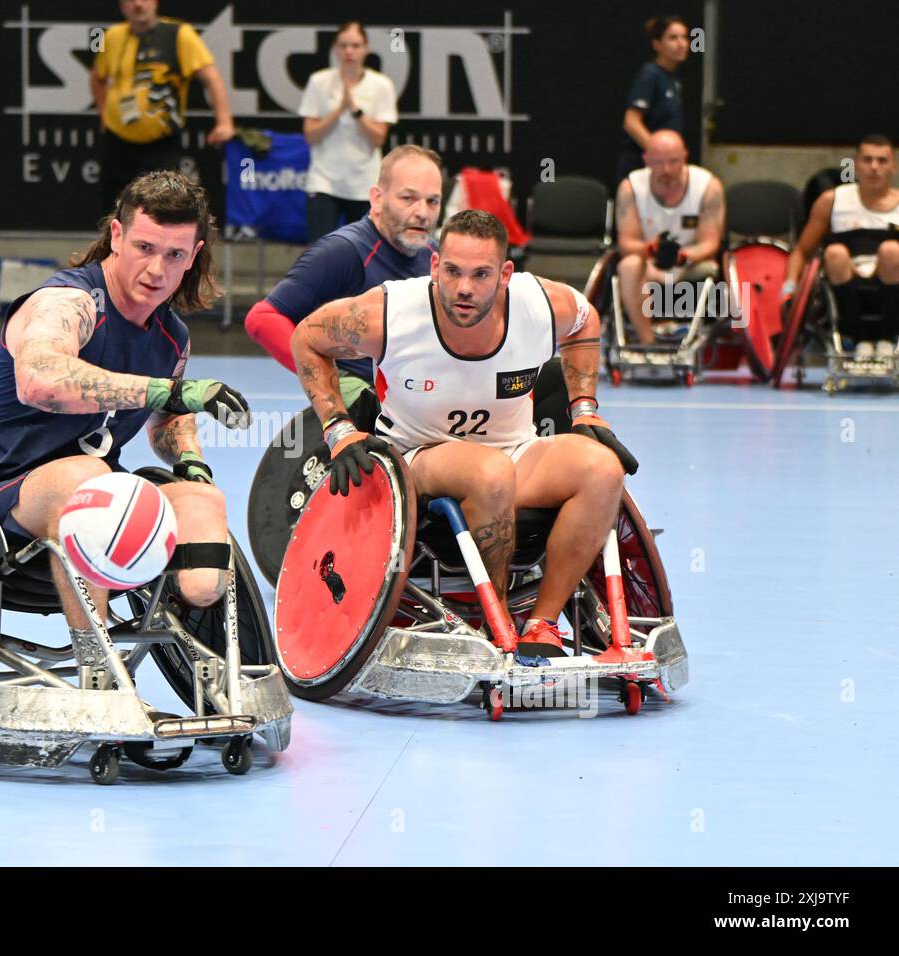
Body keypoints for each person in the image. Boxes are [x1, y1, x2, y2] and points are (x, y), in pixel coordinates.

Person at [290, 210, 638, 659]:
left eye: (481, 274)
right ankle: (496, 620)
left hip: (515, 451)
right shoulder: (389, 313)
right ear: (434, 266)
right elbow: (307, 338)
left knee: (602, 470)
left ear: (506, 275)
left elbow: (586, 321)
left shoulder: (542, 305)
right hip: (417, 456)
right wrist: (339, 429)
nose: (465, 288)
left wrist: (585, 408)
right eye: (452, 271)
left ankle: (542, 622)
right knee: (489, 474)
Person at [0, 171, 250, 641]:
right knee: (90, 478)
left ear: (193, 256)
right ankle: (98, 674)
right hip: (4, 503)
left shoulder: (172, 336)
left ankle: (210, 671)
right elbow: (40, 381)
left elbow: (169, 418)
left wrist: (191, 461)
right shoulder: (68, 303)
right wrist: (165, 390)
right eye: (145, 248)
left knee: (203, 500)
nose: (157, 270)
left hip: (104, 507)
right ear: (117, 236)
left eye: (175, 254)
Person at [245, 144, 442, 413]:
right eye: (408, 198)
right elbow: (262, 320)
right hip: (361, 415)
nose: (423, 212)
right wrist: (336, 385)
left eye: (433, 201)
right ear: (377, 199)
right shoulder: (343, 251)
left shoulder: (437, 257)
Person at [91, 0, 235, 207]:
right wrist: (104, 115)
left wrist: (224, 122)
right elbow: (97, 77)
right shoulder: (112, 36)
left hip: (160, 143)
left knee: (161, 207)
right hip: (117, 139)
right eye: (130, 1)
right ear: (122, 7)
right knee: (112, 208)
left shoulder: (179, 34)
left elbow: (211, 77)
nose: (138, 5)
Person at [785, 135, 899, 358]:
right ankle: (858, 339)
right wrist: (789, 286)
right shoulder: (832, 200)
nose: (874, 167)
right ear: (855, 164)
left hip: (891, 275)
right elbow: (801, 251)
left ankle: (887, 338)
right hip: (845, 276)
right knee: (834, 253)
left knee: (891, 251)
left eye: (882, 161)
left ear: (893, 166)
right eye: (867, 160)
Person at [614, 130, 725, 344]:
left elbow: (710, 243)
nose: (666, 169)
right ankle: (648, 344)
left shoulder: (708, 187)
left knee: (706, 267)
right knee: (628, 266)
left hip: (691, 260)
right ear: (646, 160)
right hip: (649, 260)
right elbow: (627, 242)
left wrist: (681, 256)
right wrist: (652, 250)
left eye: (673, 161)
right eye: (658, 162)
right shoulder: (630, 188)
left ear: (685, 156)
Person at [297, 22, 398, 243]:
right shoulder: (319, 81)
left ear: (366, 48)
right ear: (335, 48)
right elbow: (311, 135)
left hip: (364, 184)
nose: (349, 51)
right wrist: (338, 110)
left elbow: (378, 138)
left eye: (355, 45)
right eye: (343, 45)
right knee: (320, 253)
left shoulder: (382, 86)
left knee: (364, 254)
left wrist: (355, 111)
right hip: (324, 182)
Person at [614, 15, 689, 186]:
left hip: (663, 168)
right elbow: (631, 122)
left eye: (684, 37)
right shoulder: (650, 75)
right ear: (657, 44)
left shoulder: (674, 80)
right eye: (673, 38)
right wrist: (659, 153)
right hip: (641, 164)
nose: (681, 43)